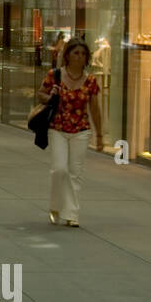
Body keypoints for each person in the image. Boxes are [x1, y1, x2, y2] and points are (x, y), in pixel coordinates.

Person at [36, 37, 103, 227]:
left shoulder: (90, 81)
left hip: (81, 130)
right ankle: (55, 206)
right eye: (76, 53)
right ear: (67, 55)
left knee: (75, 172)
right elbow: (40, 93)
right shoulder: (55, 75)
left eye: (83, 54)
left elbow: (95, 109)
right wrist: (51, 96)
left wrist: (99, 135)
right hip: (57, 128)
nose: (79, 57)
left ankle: (72, 213)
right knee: (59, 170)